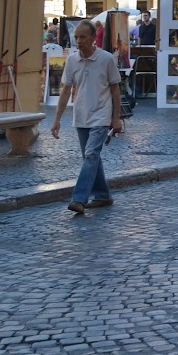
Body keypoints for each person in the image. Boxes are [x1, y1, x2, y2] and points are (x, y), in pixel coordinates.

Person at [50, 21, 123, 214]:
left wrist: (116, 118)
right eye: (76, 37)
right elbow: (65, 91)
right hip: (81, 114)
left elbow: (115, 90)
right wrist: (57, 119)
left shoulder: (106, 59)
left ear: (92, 38)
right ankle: (103, 195)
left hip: (101, 114)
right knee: (91, 157)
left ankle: (79, 199)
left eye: (82, 37)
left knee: (91, 155)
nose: (78, 41)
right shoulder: (72, 61)